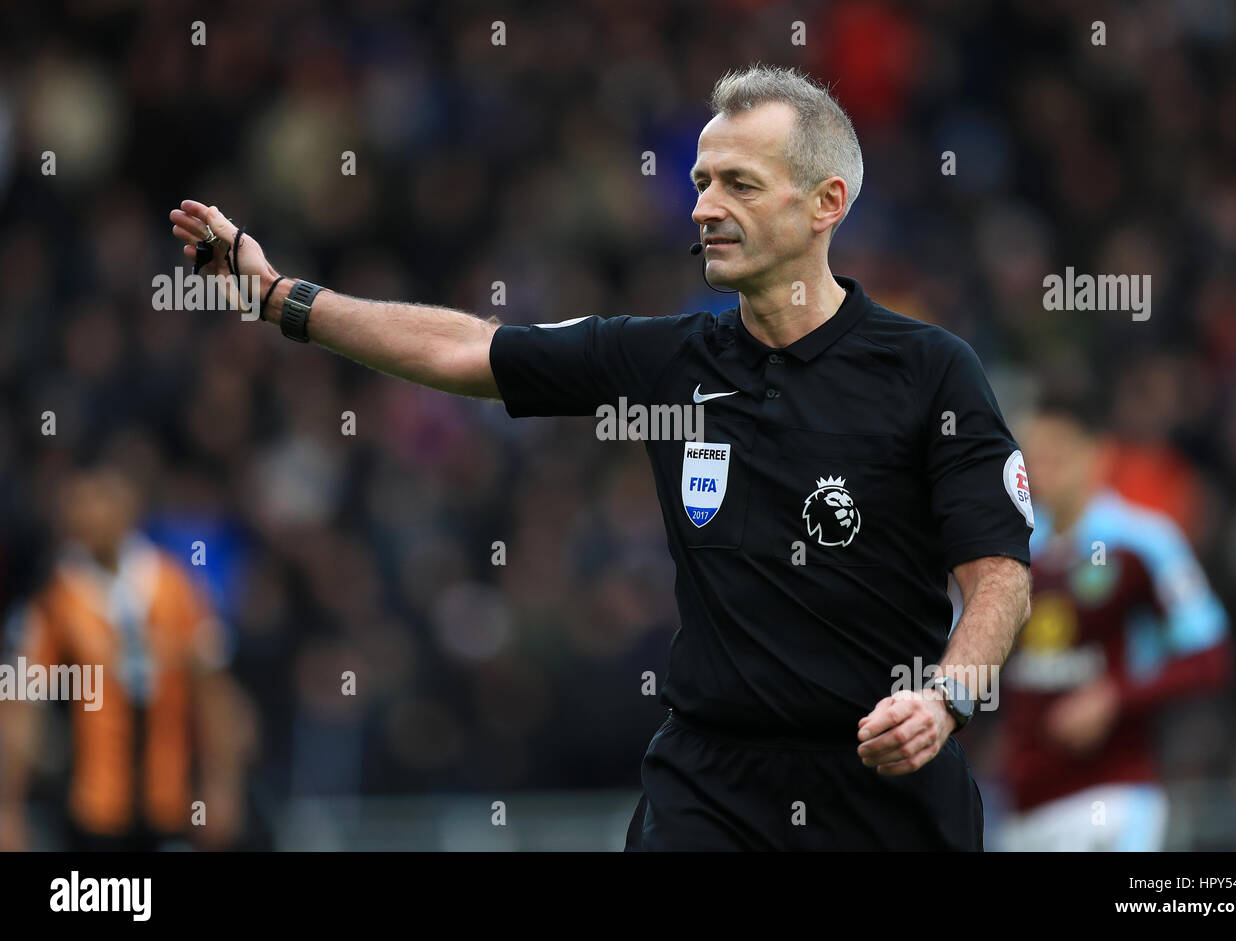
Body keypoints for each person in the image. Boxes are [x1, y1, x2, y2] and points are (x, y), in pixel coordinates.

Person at [167, 64, 1033, 850]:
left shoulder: (929, 371)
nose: (704, 208)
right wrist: (282, 299)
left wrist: (945, 697)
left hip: (885, 777)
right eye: (701, 182)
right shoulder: (666, 361)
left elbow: (999, 577)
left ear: (825, 203)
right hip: (711, 788)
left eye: (739, 183)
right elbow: (468, 349)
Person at [996, 387, 1231, 851]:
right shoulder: (1014, 551)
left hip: (1113, 795)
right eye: (1033, 457)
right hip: (1025, 801)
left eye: (1057, 454)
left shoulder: (1144, 543)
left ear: (1098, 454)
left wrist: (1114, 696)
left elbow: (1210, 657)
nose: (1042, 470)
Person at [0, 465, 250, 851]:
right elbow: (21, 705)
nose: (86, 515)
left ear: (128, 507)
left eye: (98, 501)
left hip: (170, 801)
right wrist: (8, 807)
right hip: (91, 807)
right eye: (77, 504)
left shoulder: (175, 587)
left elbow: (214, 693)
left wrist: (221, 786)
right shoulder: (56, 600)